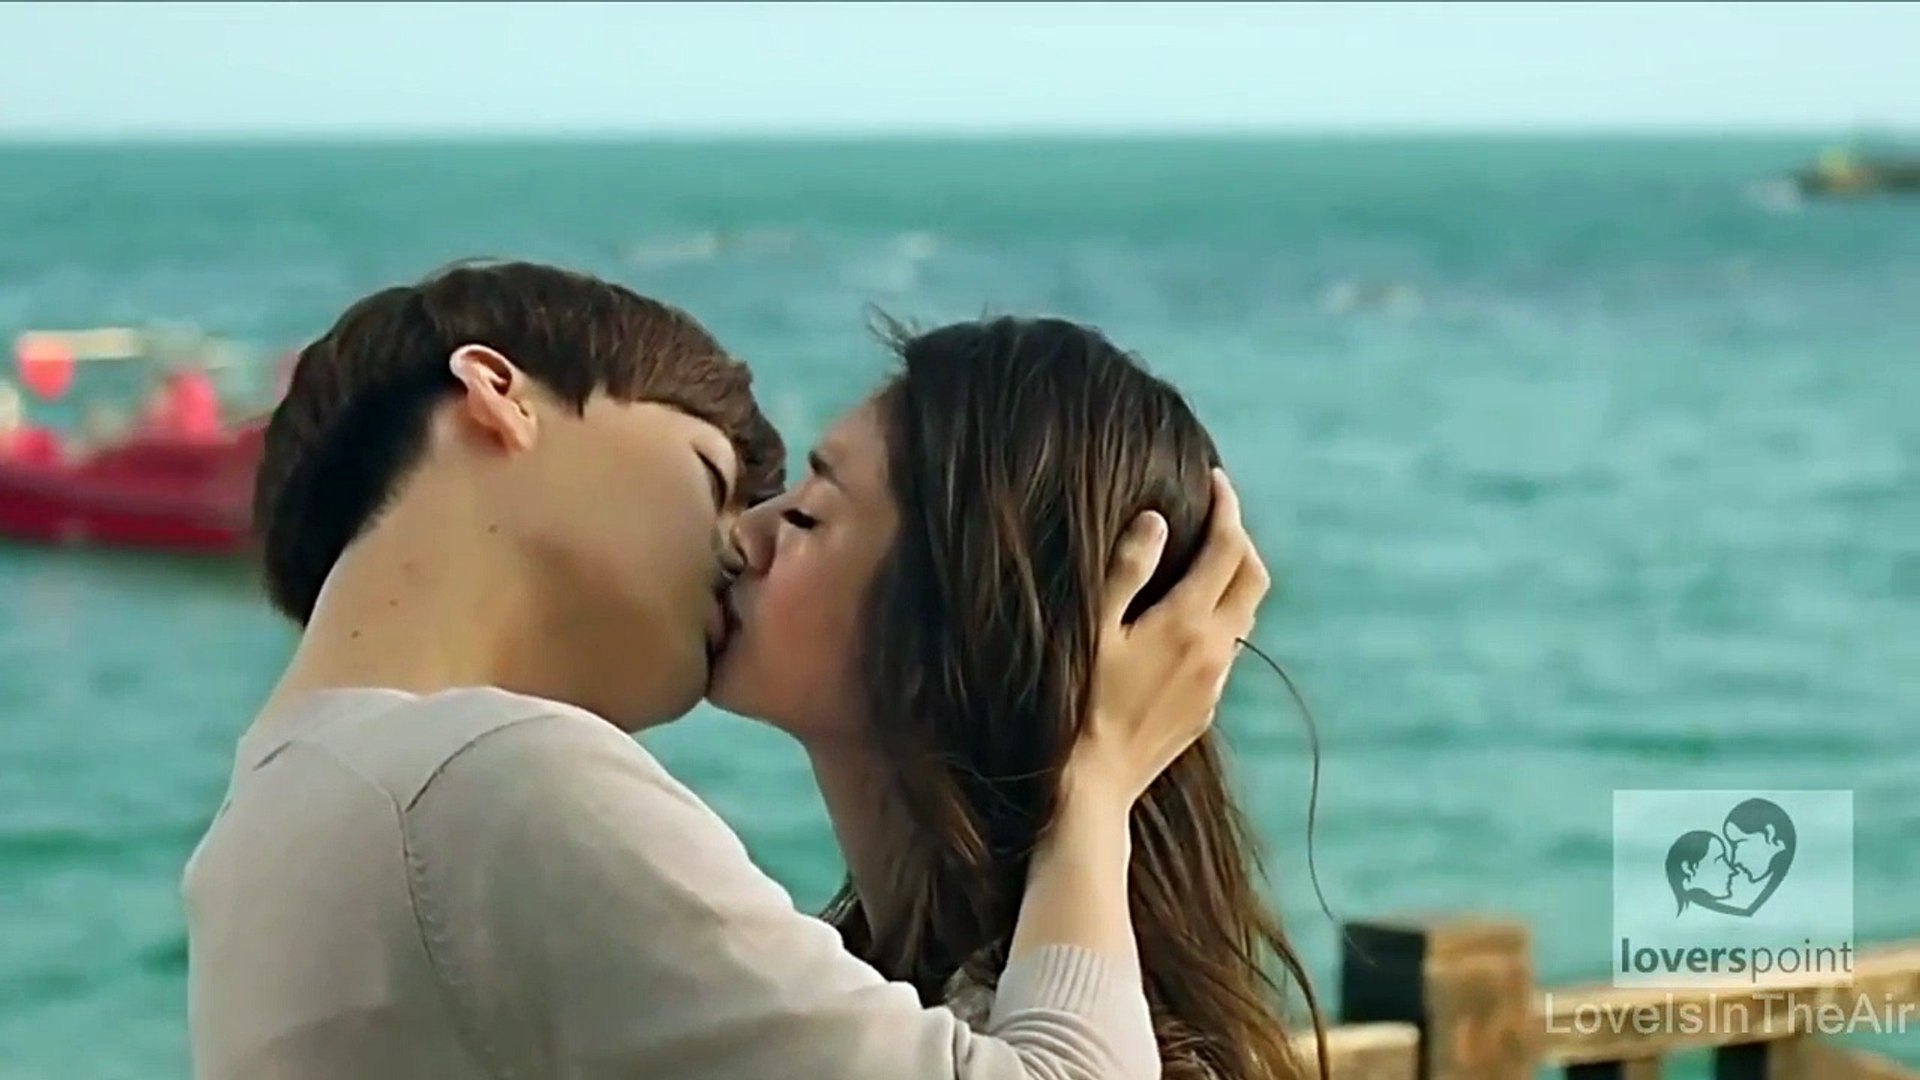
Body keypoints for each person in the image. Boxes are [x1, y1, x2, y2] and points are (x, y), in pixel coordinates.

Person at [183, 260, 1268, 1080]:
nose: (736, 539)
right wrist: (1094, 789)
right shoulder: (488, 780)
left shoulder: (265, 821)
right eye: (710, 475)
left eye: (806, 511)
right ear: (498, 393)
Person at [711, 316, 1325, 1080]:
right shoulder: (880, 996)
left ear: (958, 624)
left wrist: (1092, 782)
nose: (743, 535)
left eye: (806, 516)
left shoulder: (1046, 1039)